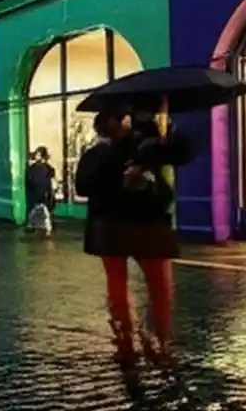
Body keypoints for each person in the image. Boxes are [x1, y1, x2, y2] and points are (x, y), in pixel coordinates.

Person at [75, 109, 181, 371]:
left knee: (143, 286)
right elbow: (85, 186)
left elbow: (83, 186)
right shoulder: (112, 154)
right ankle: (143, 341)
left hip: (126, 227)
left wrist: (145, 178)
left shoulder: (145, 149)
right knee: (151, 286)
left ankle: (141, 340)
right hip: (135, 226)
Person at [24, 146, 56, 234]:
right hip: (41, 192)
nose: (36, 157)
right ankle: (38, 226)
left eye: (38, 155)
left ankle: (35, 225)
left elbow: (30, 178)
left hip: (41, 192)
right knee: (41, 209)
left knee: (40, 209)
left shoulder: (42, 167)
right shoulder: (43, 167)